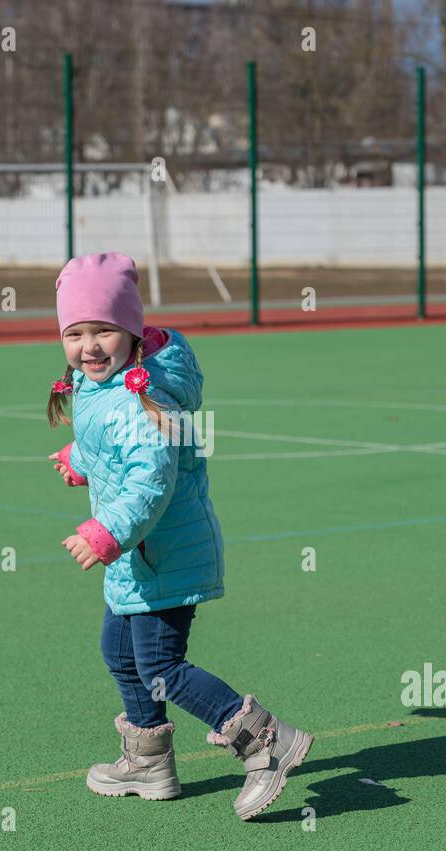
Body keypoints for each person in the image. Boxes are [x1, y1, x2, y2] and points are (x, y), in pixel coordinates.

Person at [46, 252, 313, 821]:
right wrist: (82, 458)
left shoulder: (140, 398)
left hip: (161, 554)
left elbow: (151, 478)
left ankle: (265, 741)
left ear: (132, 332)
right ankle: (148, 761)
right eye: (76, 333)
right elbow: (113, 446)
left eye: (103, 331)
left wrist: (105, 532)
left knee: (163, 669)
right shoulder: (103, 387)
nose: (89, 346)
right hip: (140, 559)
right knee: (119, 651)